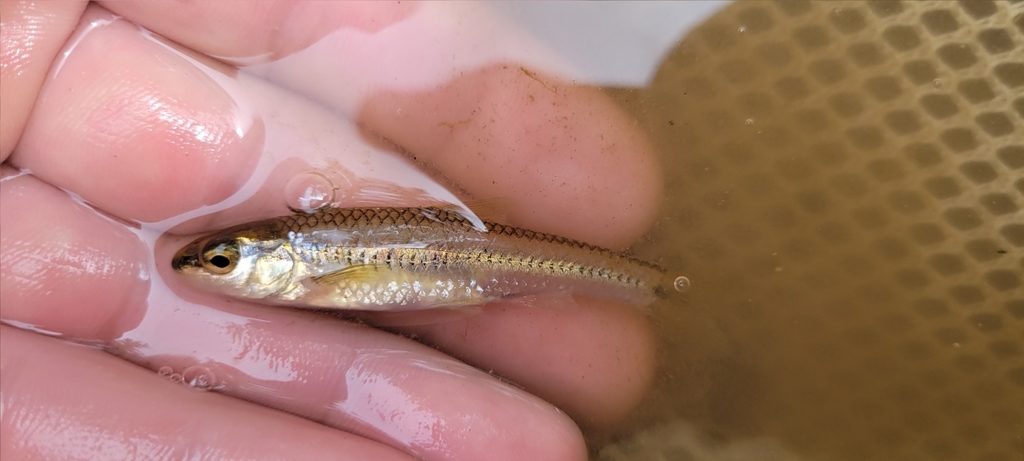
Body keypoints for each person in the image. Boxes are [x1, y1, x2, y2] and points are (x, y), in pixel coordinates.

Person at [0, 2, 663, 460]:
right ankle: (646, 284)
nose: (205, 267)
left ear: (274, 257)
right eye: (220, 259)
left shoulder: (309, 262)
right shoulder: (305, 262)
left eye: (222, 260)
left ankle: (645, 283)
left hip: (470, 257)